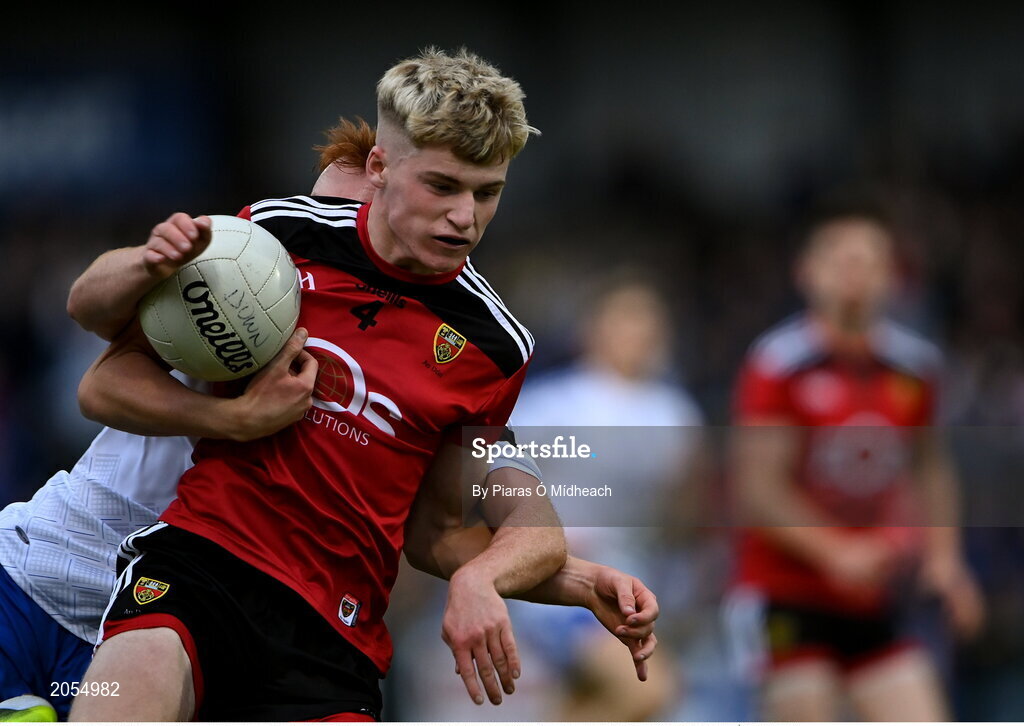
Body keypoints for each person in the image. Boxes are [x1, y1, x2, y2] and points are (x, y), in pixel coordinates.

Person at [2, 115, 658, 721]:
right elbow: (93, 349)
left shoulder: (443, 365)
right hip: (45, 572)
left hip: (150, 625)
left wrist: (571, 579)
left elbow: (437, 532)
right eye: (317, 214)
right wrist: (230, 411)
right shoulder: (240, 282)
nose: (331, 234)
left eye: (350, 218)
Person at [727, 194, 985, 721]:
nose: (855, 274)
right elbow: (758, 489)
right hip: (785, 592)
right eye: (840, 260)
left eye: (869, 261)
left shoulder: (915, 368)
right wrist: (836, 551)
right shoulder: (779, 365)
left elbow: (930, 467)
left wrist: (945, 560)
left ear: (893, 276)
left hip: (873, 596)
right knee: (806, 707)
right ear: (808, 272)